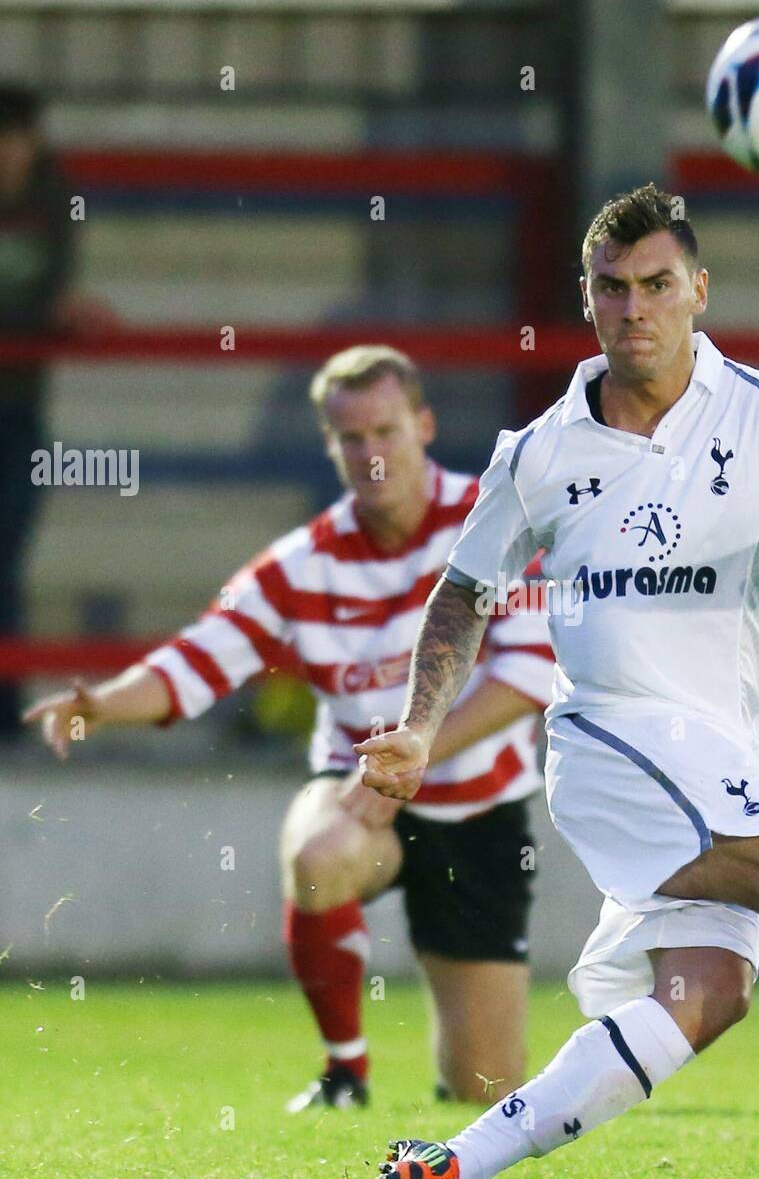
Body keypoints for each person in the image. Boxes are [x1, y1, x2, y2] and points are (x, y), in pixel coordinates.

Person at [359, 184, 759, 1179]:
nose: (634, 310)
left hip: (717, 747)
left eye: (656, 285)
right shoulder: (536, 453)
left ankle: (454, 1164)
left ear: (697, 289)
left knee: (702, 994)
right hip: (608, 736)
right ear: (587, 299)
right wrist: (417, 729)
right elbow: (462, 594)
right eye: (611, 289)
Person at [24, 345, 554, 1107]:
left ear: (424, 425)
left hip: (479, 808)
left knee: (486, 1085)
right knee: (319, 849)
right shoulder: (301, 562)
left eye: (385, 431)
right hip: (358, 791)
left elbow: (527, 679)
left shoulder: (493, 522)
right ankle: (345, 1072)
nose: (371, 455)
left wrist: (416, 753)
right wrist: (104, 703)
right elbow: (197, 660)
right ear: (330, 446)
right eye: (351, 439)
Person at [0, 86, 76, 737]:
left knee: (5, 554)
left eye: (14, 140)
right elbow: (43, 304)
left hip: (17, 409)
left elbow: (54, 295)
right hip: (17, 403)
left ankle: (4, 713)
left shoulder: (53, 200)